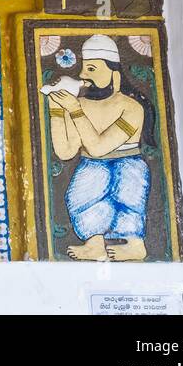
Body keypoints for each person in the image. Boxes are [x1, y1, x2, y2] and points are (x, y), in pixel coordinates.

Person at [46, 34, 149, 261]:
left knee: (127, 201)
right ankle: (94, 244)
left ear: (114, 73)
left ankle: (134, 244)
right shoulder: (80, 104)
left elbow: (99, 147)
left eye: (91, 69)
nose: (83, 76)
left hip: (126, 164)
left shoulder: (130, 107)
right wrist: (56, 110)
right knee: (80, 199)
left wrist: (74, 110)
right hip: (90, 166)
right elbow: (65, 151)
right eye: (84, 69)